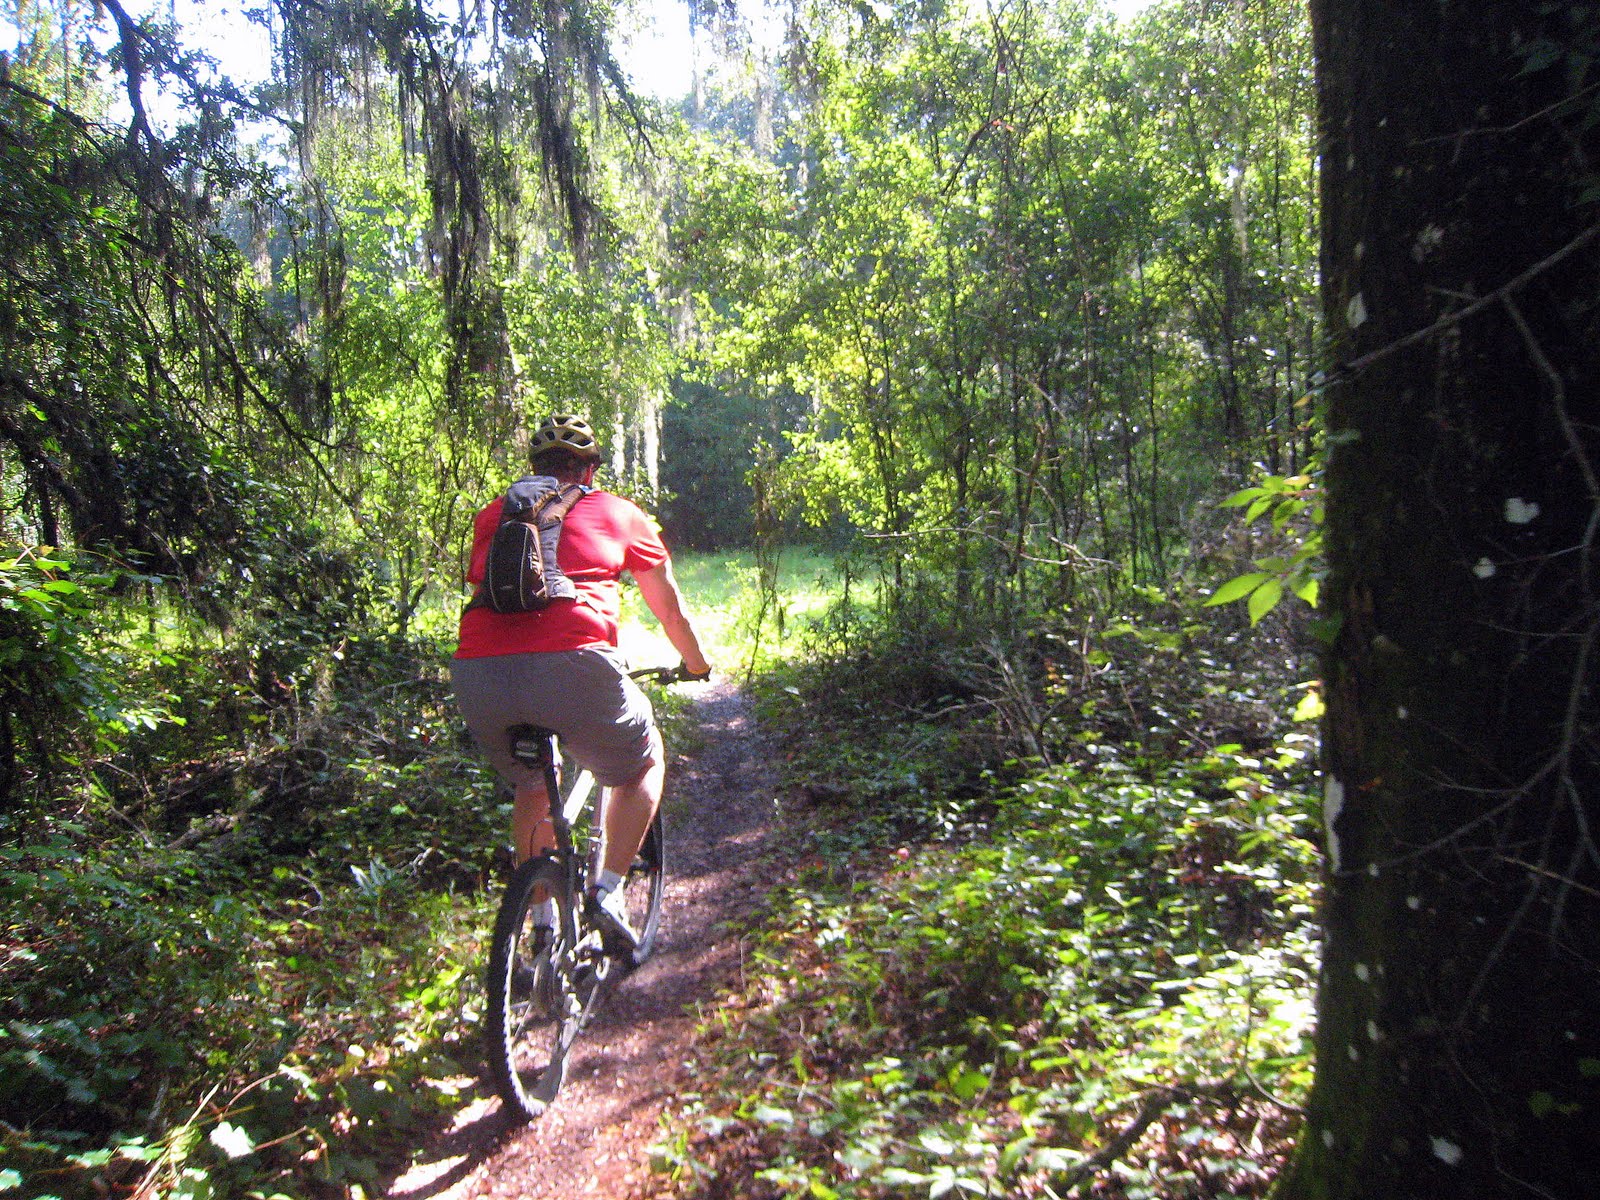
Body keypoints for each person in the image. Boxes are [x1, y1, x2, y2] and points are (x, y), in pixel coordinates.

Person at [451, 413, 710, 948]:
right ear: (589, 469)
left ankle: (541, 925)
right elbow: (670, 611)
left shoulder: (493, 518)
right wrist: (696, 664)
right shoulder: (618, 511)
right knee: (643, 760)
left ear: (536, 470)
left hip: (478, 671)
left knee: (531, 782)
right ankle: (608, 893)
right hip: (575, 663)